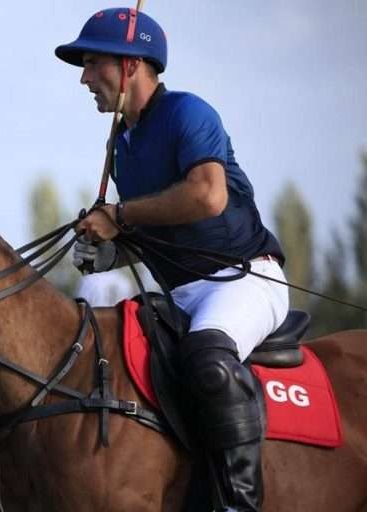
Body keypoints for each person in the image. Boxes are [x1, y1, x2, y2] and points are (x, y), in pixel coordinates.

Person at [57, 8, 289, 511]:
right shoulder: (121, 144)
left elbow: (207, 196)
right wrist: (105, 253)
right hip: (179, 295)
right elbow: (150, 232)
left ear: (132, 64)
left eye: (94, 63)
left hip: (244, 280)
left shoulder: (189, 112)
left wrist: (118, 213)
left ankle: (237, 503)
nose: (84, 77)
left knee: (207, 360)